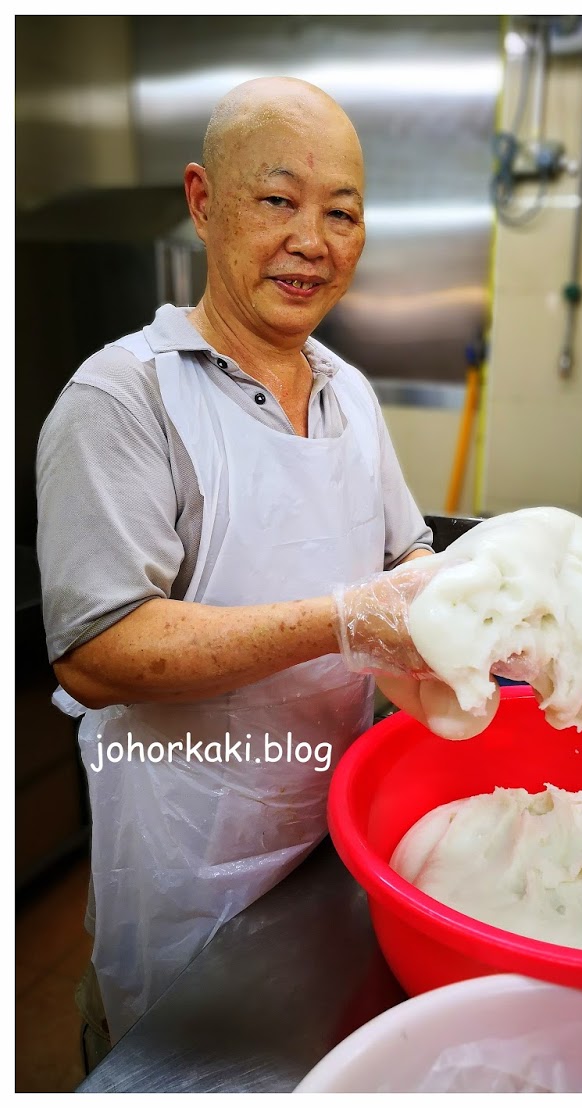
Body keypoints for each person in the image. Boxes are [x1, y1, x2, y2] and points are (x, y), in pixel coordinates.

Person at [36, 77, 447, 1067]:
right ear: (202, 200)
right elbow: (98, 649)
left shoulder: (350, 391)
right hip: (189, 884)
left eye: (341, 212)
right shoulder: (123, 398)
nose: (313, 238)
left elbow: (406, 555)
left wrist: (463, 612)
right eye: (278, 200)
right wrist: (348, 617)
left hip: (334, 850)